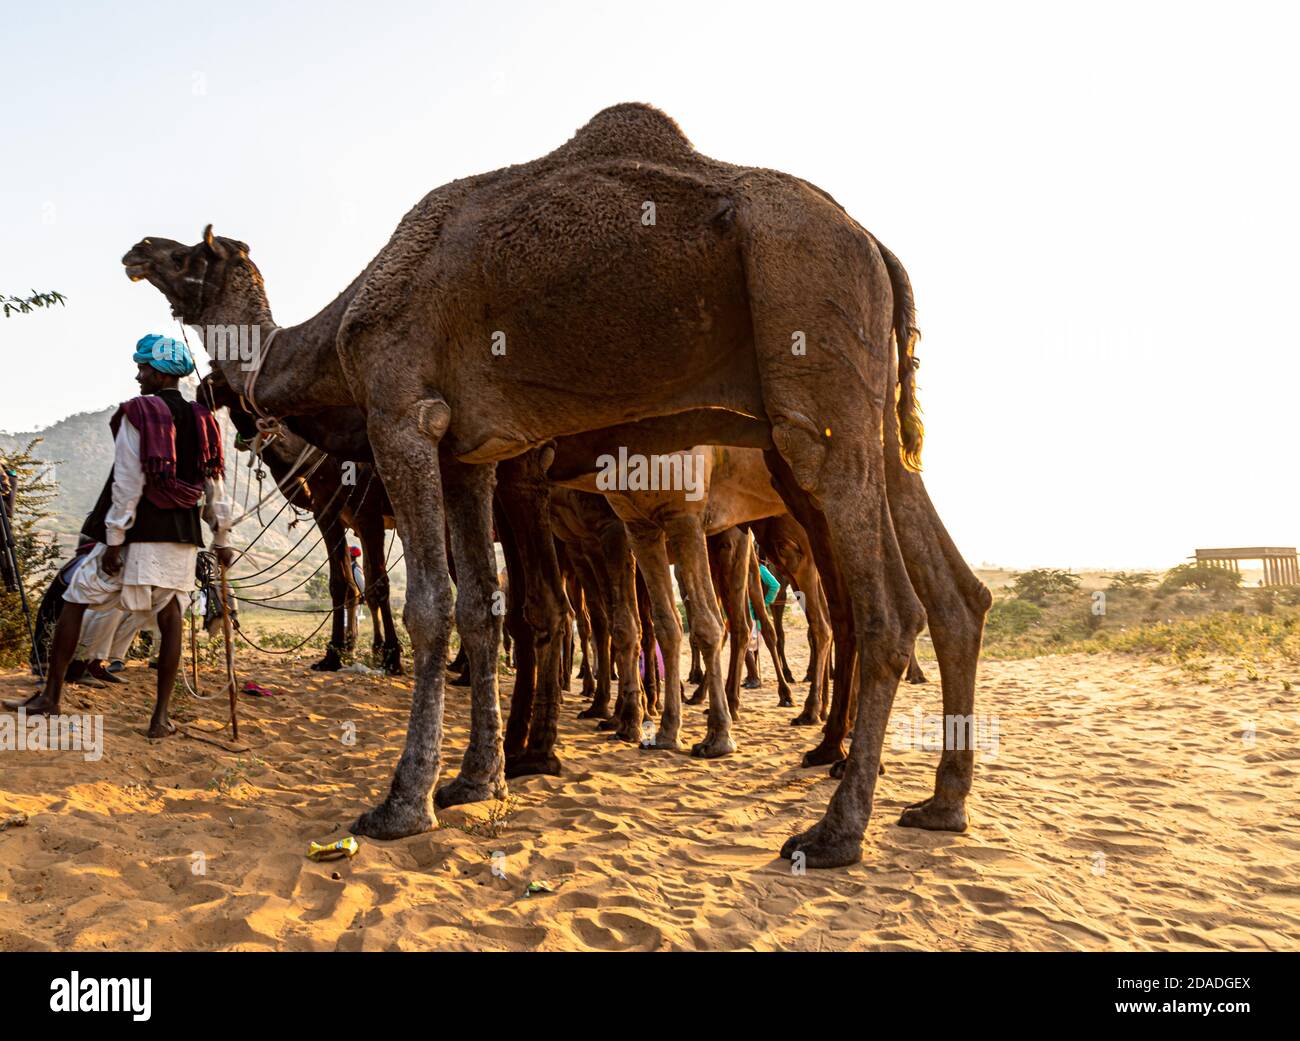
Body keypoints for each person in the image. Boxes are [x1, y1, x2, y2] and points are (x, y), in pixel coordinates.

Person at [3, 334, 233, 736]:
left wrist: (113, 539)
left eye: (143, 368)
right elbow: (214, 484)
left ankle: (50, 698)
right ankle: (160, 719)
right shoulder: (203, 420)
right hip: (182, 536)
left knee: (75, 599)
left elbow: (127, 481)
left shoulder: (139, 413)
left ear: (159, 372)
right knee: (171, 616)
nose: (138, 375)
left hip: (138, 532)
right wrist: (223, 537)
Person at [742, 557, 781, 689]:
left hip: (753, 616)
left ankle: (754, 677)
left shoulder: (759, 568)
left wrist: (763, 604)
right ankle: (751, 675)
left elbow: (775, 585)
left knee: (744, 645)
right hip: (744, 614)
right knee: (748, 647)